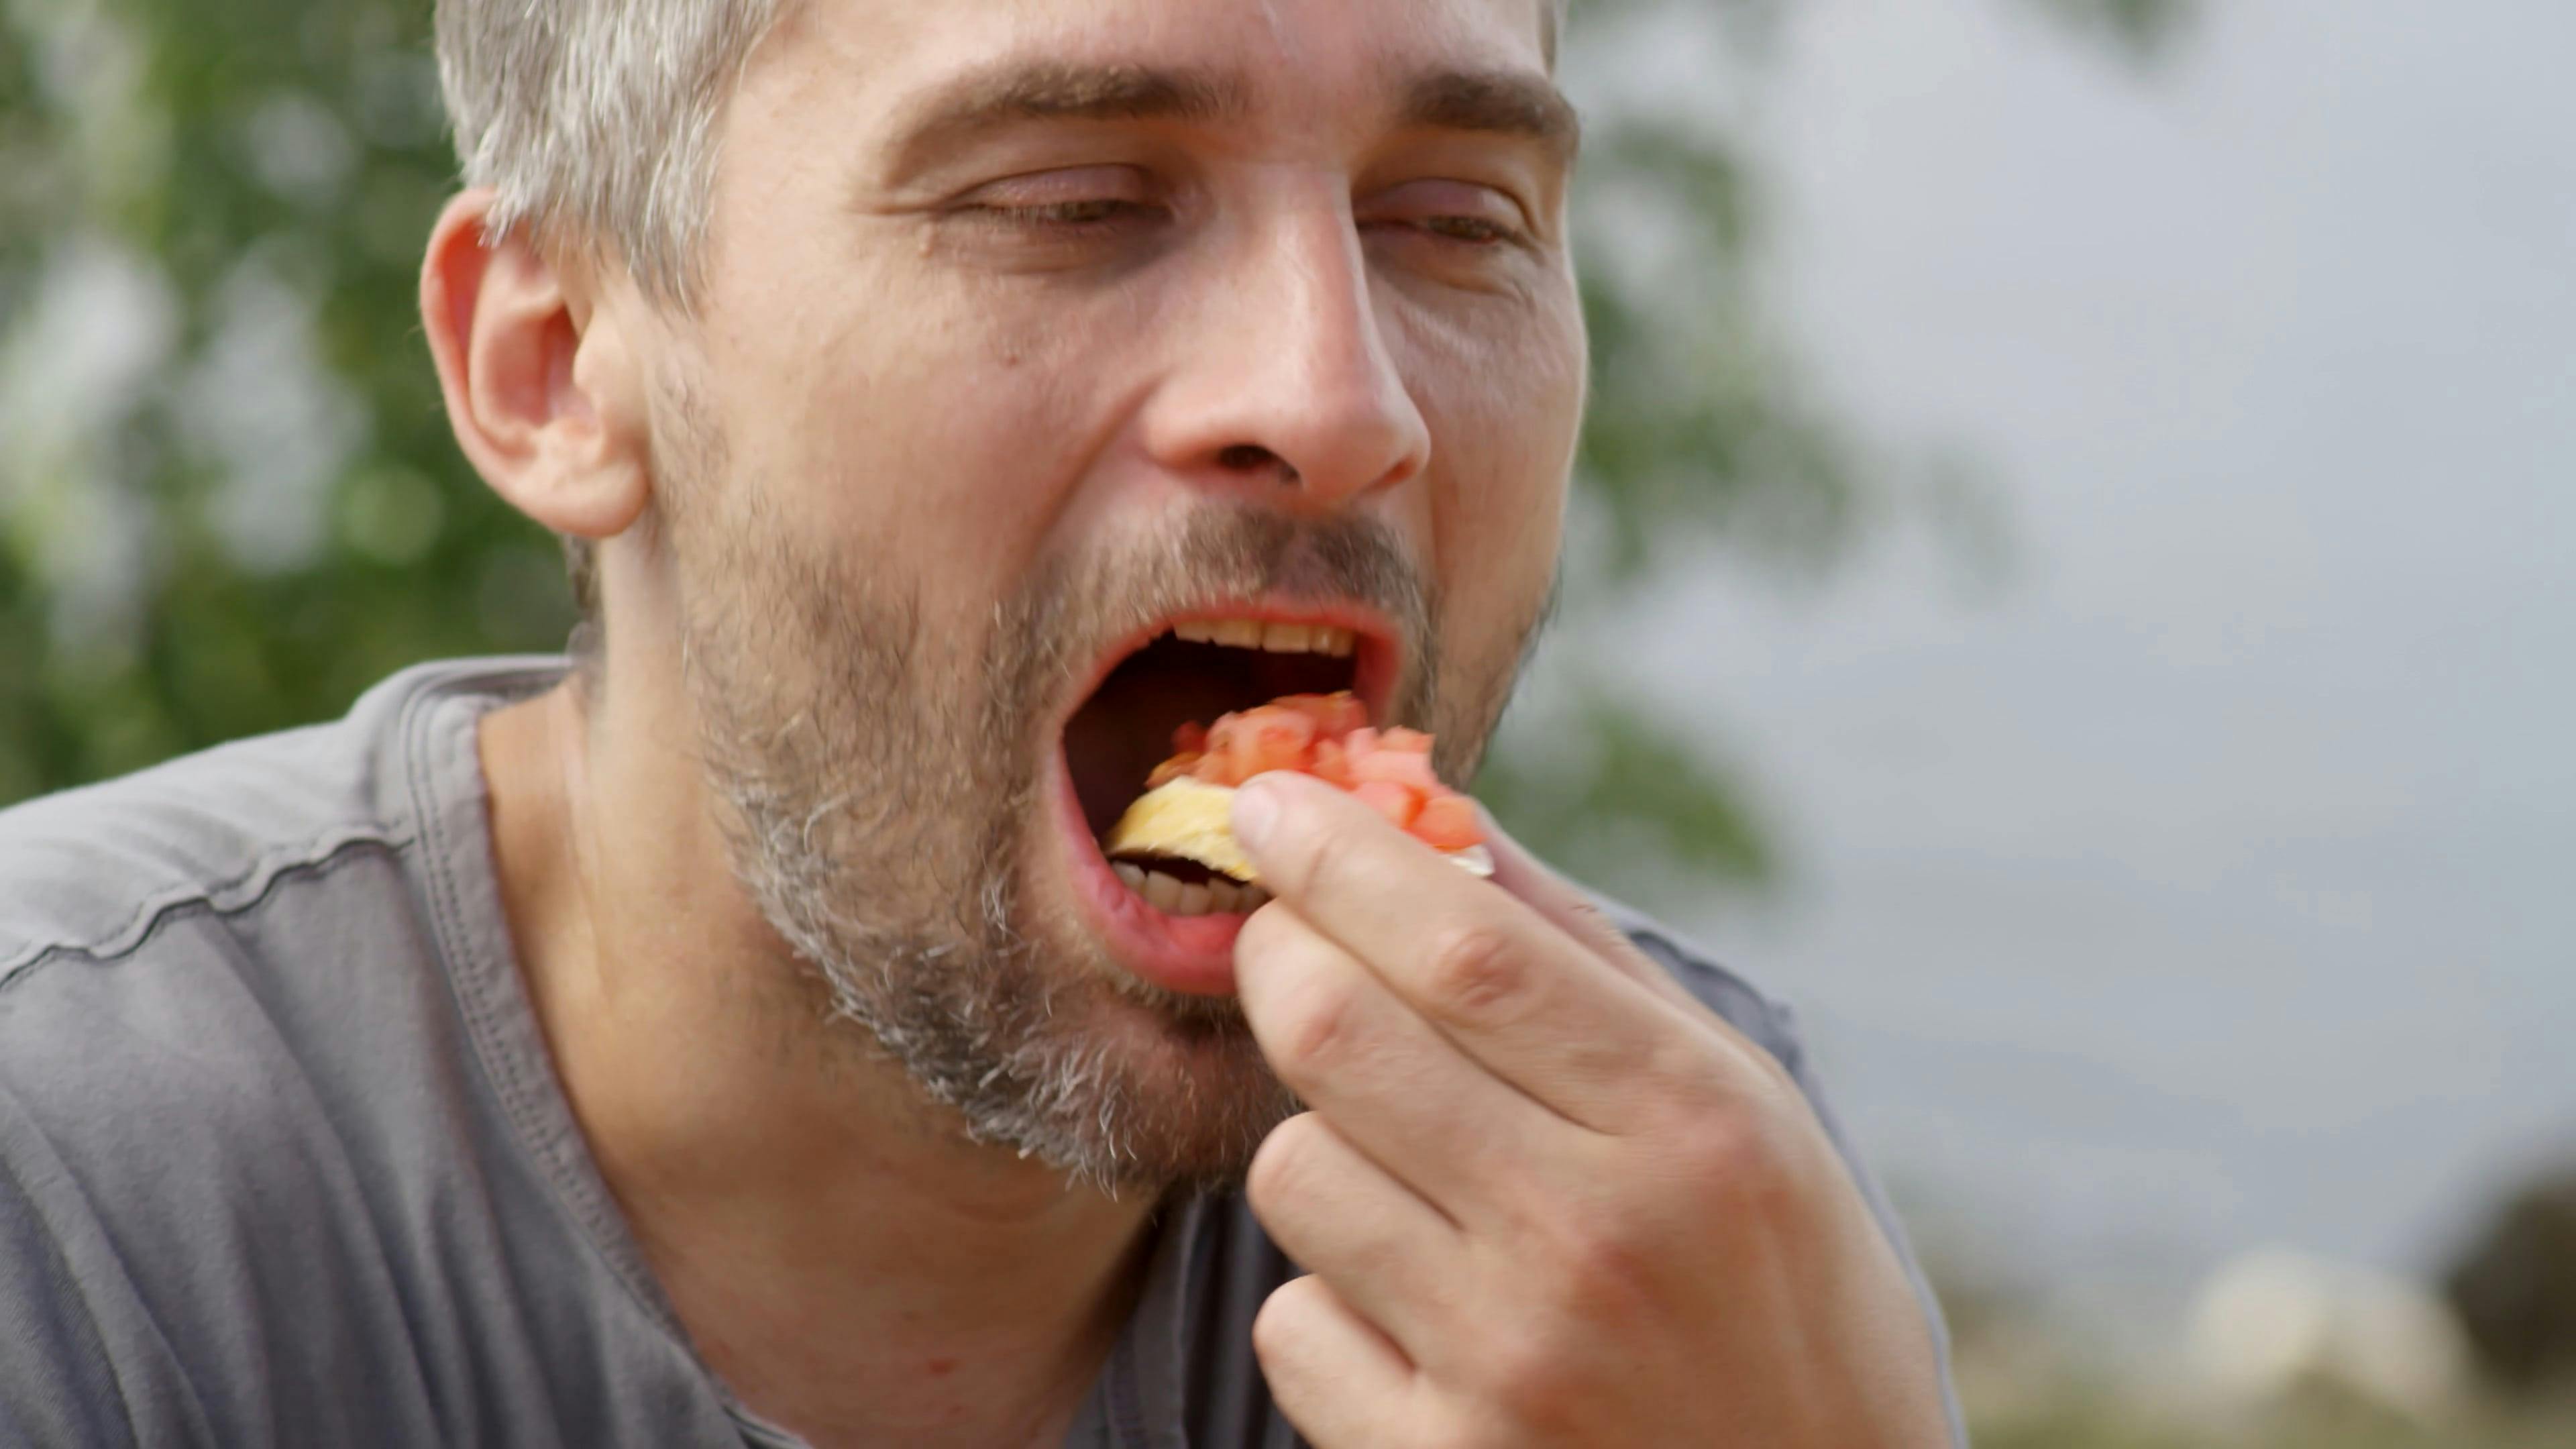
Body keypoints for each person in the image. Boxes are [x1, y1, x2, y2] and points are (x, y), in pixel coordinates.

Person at [0, 1, 1960, 1444]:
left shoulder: (1669, 1215)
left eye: (1457, 221)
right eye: (1077, 200)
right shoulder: (74, 1190)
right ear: (554, 369)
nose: (1342, 398)